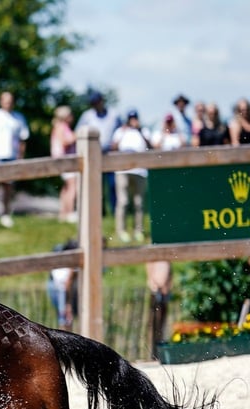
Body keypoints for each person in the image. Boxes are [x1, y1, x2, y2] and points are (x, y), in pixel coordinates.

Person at [0, 90, 29, 228]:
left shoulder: (19, 118)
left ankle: (5, 214)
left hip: (12, 157)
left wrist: (20, 157)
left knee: (8, 187)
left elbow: (22, 139)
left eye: (10, 100)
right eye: (5, 100)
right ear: (1, 101)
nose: (8, 103)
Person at [76, 90, 121, 216]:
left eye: (97, 102)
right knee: (96, 185)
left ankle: (114, 212)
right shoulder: (87, 116)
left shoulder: (114, 115)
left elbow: (121, 131)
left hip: (110, 154)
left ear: (102, 101)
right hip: (93, 155)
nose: (95, 105)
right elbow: (78, 132)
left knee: (113, 185)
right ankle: (100, 212)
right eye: (93, 103)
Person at [110, 109, 151, 243]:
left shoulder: (143, 131)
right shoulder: (120, 131)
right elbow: (114, 147)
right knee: (123, 202)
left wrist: (139, 130)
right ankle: (121, 230)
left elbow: (150, 146)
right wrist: (124, 131)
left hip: (139, 171)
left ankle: (138, 230)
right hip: (123, 171)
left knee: (138, 203)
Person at [50, 105, 78, 223]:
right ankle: (70, 212)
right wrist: (76, 136)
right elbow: (65, 142)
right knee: (72, 186)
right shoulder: (61, 127)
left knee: (66, 187)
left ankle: (63, 213)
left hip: (63, 161)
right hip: (66, 161)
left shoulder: (59, 126)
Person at [47, 239, 79, 331]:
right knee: (66, 318)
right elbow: (67, 284)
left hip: (58, 286)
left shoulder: (59, 260)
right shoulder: (70, 269)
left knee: (63, 318)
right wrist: (68, 303)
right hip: (62, 290)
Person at [146, 260, 172, 361]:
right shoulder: (153, 258)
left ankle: (159, 353)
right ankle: (153, 354)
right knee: (154, 325)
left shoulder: (167, 259)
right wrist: (154, 285)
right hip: (156, 291)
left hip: (163, 292)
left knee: (162, 325)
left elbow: (169, 274)